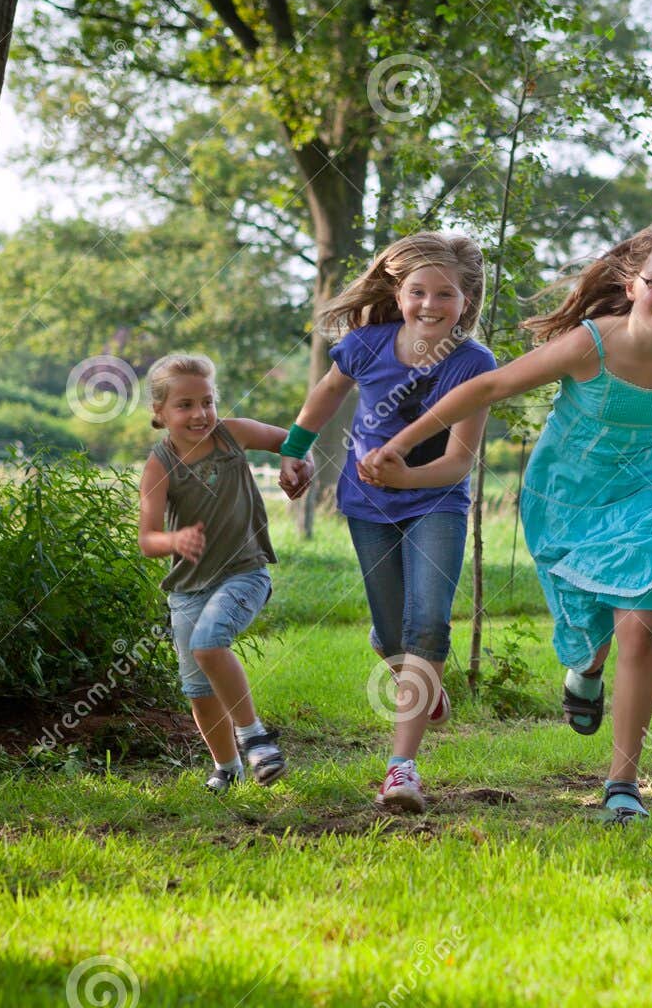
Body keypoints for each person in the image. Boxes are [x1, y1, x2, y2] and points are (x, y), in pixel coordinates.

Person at [361, 226, 652, 823]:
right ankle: (585, 671)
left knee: (640, 623)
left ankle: (622, 785)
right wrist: (400, 445)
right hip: (566, 500)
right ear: (631, 284)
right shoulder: (591, 345)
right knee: (590, 633)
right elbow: (489, 385)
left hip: (646, 495)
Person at [278, 233, 495, 813]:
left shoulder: (475, 364)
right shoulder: (366, 345)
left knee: (427, 626)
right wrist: (294, 450)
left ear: (465, 300)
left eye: (444, 294)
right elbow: (325, 395)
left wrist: (403, 479)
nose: (430, 305)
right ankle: (419, 680)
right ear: (398, 295)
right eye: (418, 292)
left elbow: (456, 462)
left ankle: (401, 770)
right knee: (394, 636)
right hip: (367, 505)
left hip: (436, 503)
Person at [138, 353, 289, 794]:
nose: (200, 414)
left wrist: (296, 463)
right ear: (160, 412)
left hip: (245, 571)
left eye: (207, 401)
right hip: (186, 591)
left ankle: (256, 738)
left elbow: (294, 441)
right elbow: (147, 539)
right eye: (185, 405)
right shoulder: (160, 464)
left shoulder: (233, 435)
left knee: (209, 643)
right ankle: (228, 768)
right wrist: (174, 541)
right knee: (198, 692)